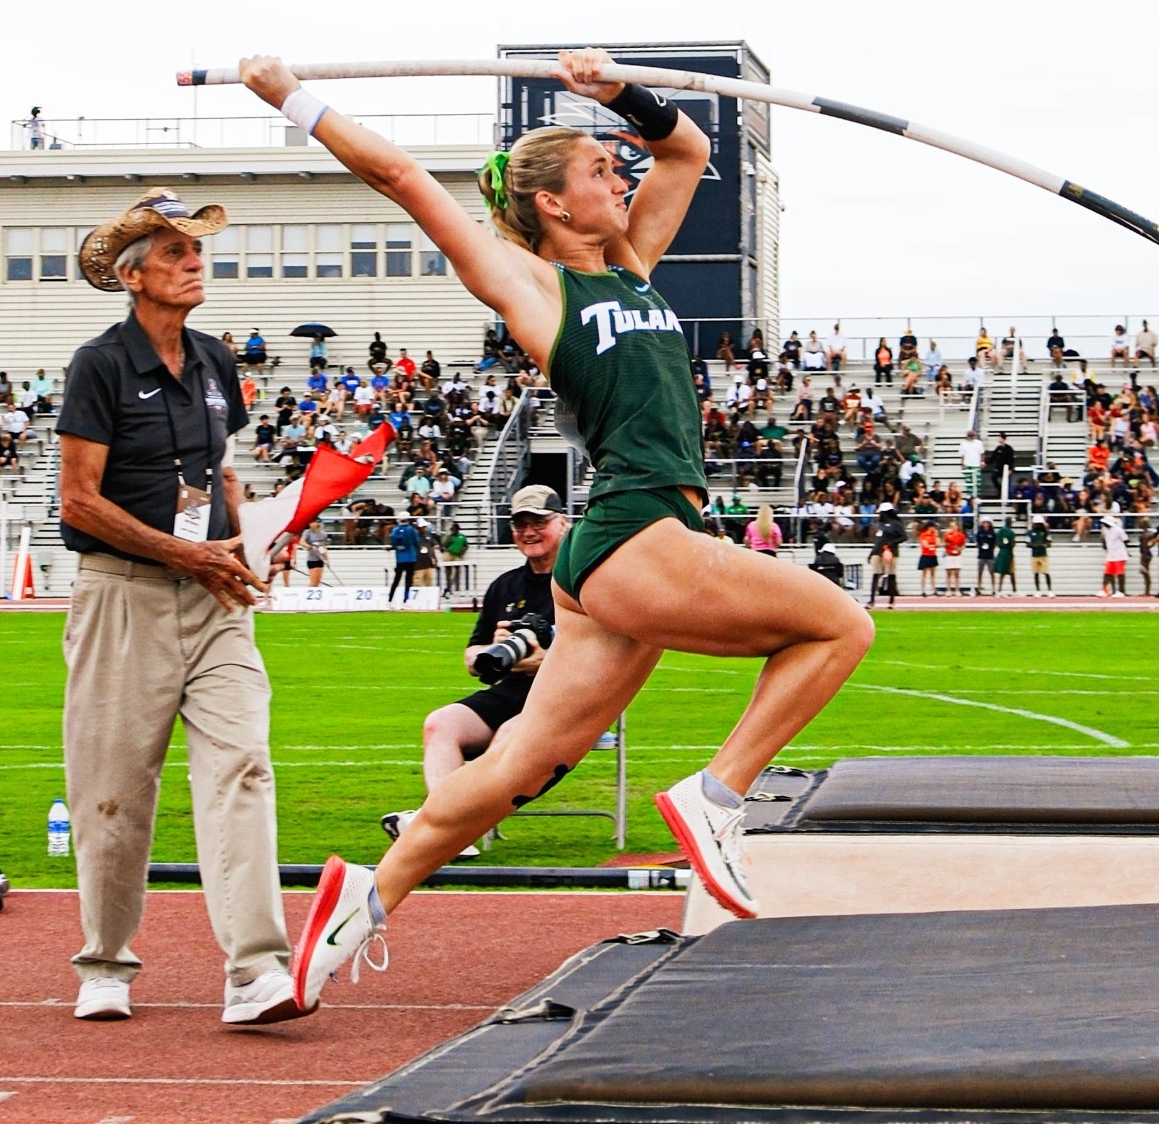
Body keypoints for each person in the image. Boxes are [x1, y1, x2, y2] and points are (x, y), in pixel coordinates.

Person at [240, 50, 872, 1010]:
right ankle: (717, 797)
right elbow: (403, 177)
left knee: (517, 766)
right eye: (595, 169)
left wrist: (615, 92)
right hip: (634, 528)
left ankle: (364, 901)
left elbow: (687, 148)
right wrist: (288, 95)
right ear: (553, 207)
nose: (619, 174)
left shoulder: (631, 266)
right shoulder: (534, 288)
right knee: (838, 627)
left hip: (609, 553)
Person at [55, 188, 300, 1025]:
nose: (195, 264)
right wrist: (186, 552)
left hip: (215, 597)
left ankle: (257, 972)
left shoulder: (214, 360)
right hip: (122, 599)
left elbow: (215, 470)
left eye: (197, 253)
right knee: (114, 790)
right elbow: (78, 503)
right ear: (133, 277)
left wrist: (248, 535)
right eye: (174, 254)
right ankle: (106, 962)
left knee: (245, 767)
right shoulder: (98, 364)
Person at [389, 486, 567, 858]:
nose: (529, 531)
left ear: (563, 523)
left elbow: (601, 658)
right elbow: (473, 654)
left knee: (508, 737)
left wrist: (540, 658)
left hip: (564, 696)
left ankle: (439, 827)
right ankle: (451, 831)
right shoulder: (505, 585)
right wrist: (492, 652)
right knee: (440, 723)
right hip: (510, 689)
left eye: (539, 522)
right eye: (520, 524)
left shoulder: (581, 582)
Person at [868, 501, 904, 608]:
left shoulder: (897, 524)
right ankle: (872, 600)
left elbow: (904, 537)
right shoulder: (879, 524)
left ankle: (891, 601)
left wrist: (892, 543)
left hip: (891, 552)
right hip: (878, 551)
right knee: (876, 574)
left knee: (891, 576)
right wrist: (872, 553)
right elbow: (877, 540)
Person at [1100, 512, 1129, 597]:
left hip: (1119, 555)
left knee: (1120, 573)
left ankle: (1121, 591)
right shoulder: (1105, 531)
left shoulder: (1118, 530)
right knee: (1107, 573)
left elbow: (1126, 539)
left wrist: (1124, 550)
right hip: (1110, 555)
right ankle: (1104, 590)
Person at [1027, 515, 1054, 597]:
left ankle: (1049, 590)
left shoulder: (1046, 532)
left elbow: (1049, 543)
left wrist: (1044, 545)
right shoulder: (1030, 533)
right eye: (1036, 524)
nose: (1037, 525)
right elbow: (1028, 544)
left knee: (1046, 573)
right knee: (1036, 573)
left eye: (1039, 524)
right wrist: (1036, 545)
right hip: (1034, 555)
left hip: (1043, 555)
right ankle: (1037, 590)